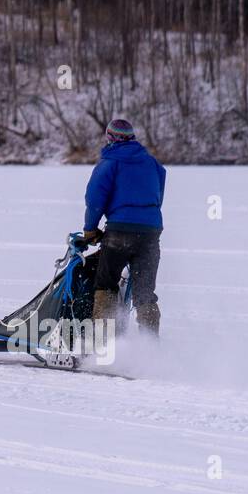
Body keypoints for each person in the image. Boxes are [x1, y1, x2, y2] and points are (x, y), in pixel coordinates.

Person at [82, 118, 165, 336]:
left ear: (110, 138)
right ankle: (150, 348)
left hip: (119, 231)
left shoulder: (109, 162)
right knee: (145, 293)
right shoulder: (152, 163)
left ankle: (101, 344)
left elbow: (94, 200)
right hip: (150, 234)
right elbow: (158, 196)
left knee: (106, 284)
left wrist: (90, 230)